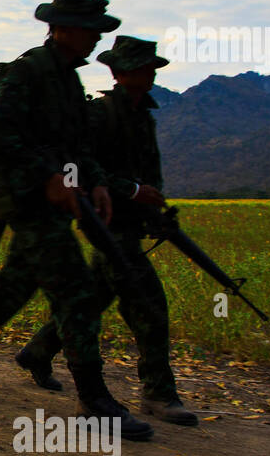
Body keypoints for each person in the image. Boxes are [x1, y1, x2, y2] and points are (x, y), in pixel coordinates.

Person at [0, 0, 153, 441]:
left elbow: (78, 145)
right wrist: (48, 175)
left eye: (98, 31)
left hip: (51, 196)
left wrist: (98, 181)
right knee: (79, 291)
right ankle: (95, 399)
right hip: (21, 195)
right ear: (61, 28)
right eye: (89, 30)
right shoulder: (27, 74)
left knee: (14, 287)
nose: (95, 39)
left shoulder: (68, 79)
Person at [16, 36, 197, 425]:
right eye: (143, 67)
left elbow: (146, 172)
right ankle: (158, 393)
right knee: (149, 307)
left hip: (131, 224)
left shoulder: (142, 115)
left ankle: (39, 350)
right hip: (108, 224)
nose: (150, 74)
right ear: (120, 73)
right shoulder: (98, 114)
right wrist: (130, 191)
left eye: (151, 67)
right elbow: (79, 165)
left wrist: (153, 207)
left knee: (93, 299)